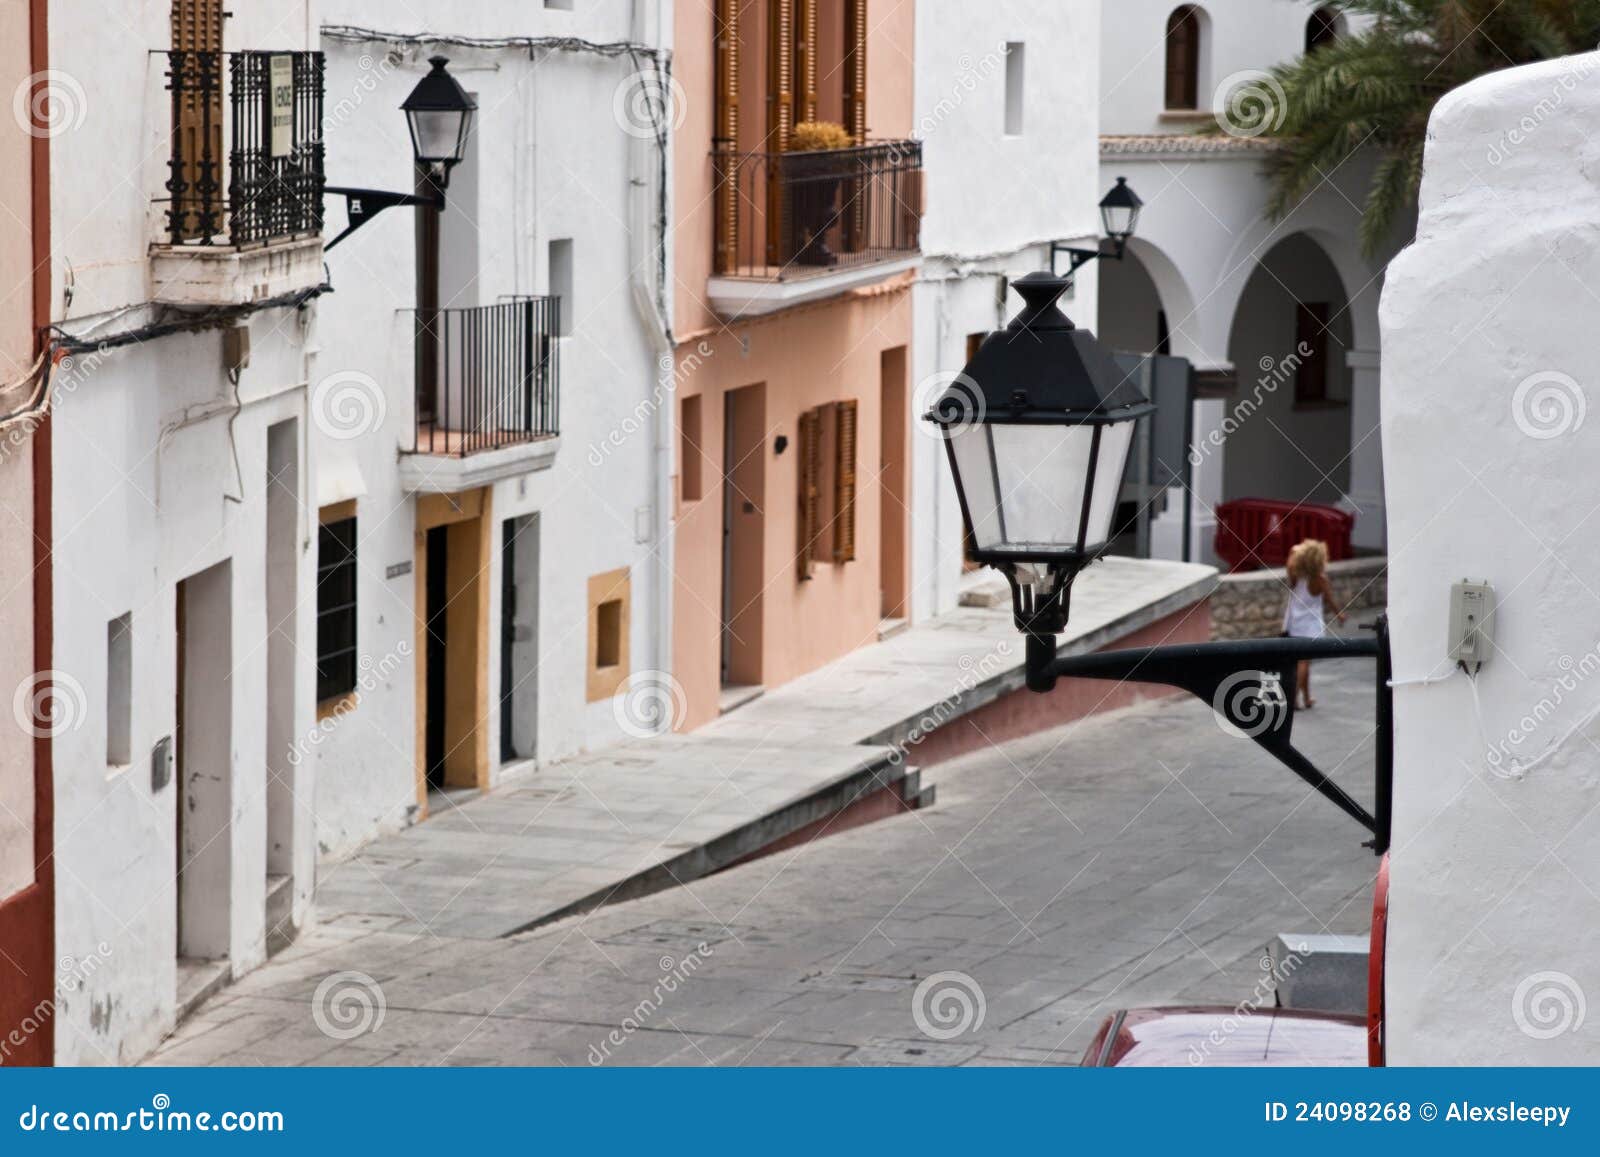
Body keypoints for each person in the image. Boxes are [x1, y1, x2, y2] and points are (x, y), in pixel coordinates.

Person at [1282, 538, 1345, 709]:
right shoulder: (1320, 579)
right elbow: (1330, 600)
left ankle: (1307, 697)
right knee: (1304, 662)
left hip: (1295, 624)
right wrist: (1339, 615)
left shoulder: (1296, 577)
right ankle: (1294, 698)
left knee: (1302, 662)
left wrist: (1294, 550)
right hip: (1311, 626)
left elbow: (1290, 562)